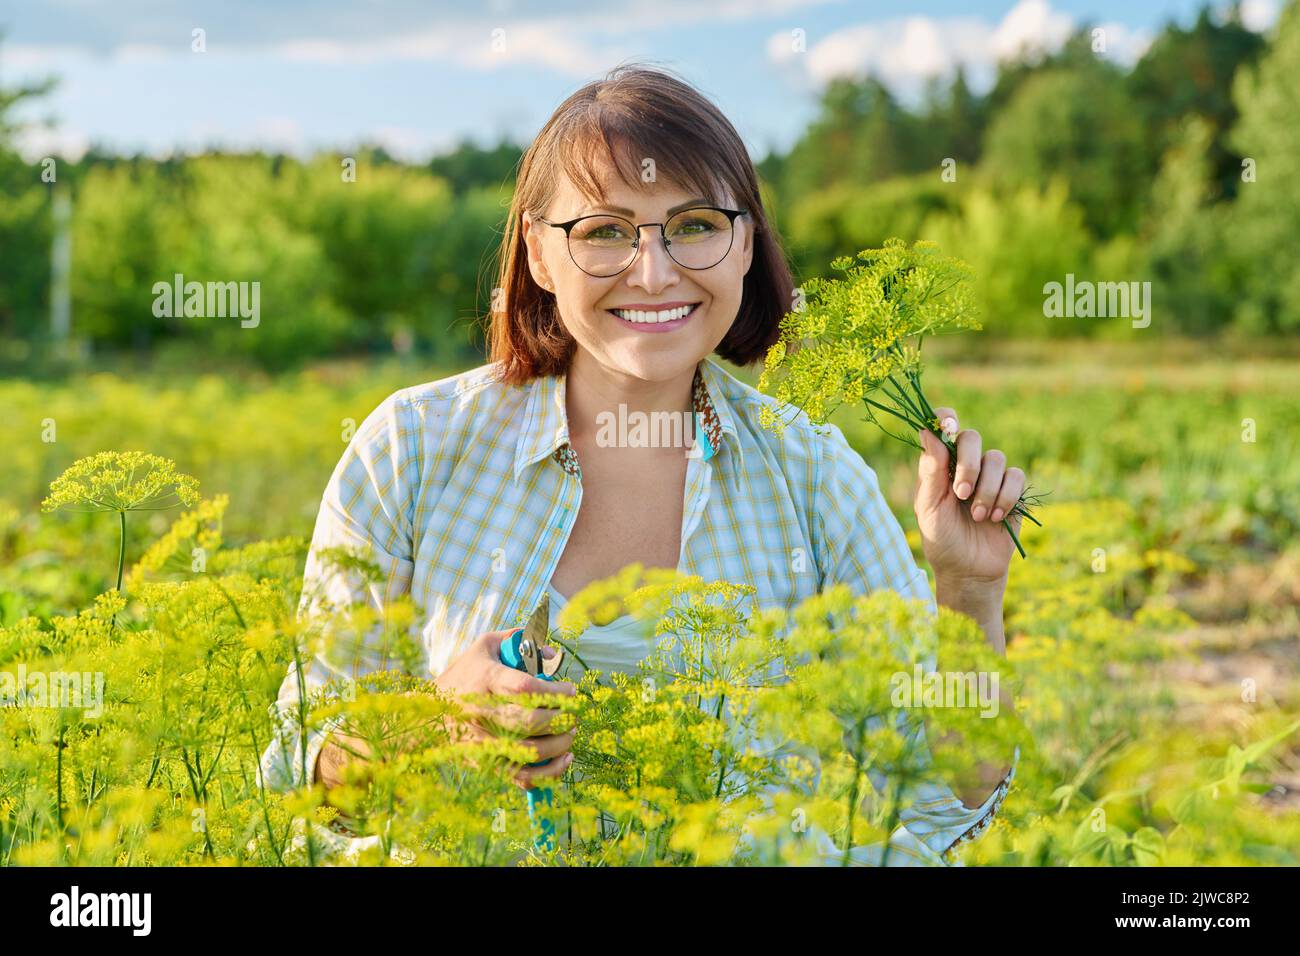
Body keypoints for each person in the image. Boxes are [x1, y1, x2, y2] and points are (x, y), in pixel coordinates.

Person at [260, 62, 1025, 865]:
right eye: (604, 232)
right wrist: (430, 729)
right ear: (540, 256)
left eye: (695, 224)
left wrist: (971, 594)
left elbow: (943, 801)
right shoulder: (410, 448)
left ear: (744, 245)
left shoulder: (817, 479)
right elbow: (295, 776)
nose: (654, 272)